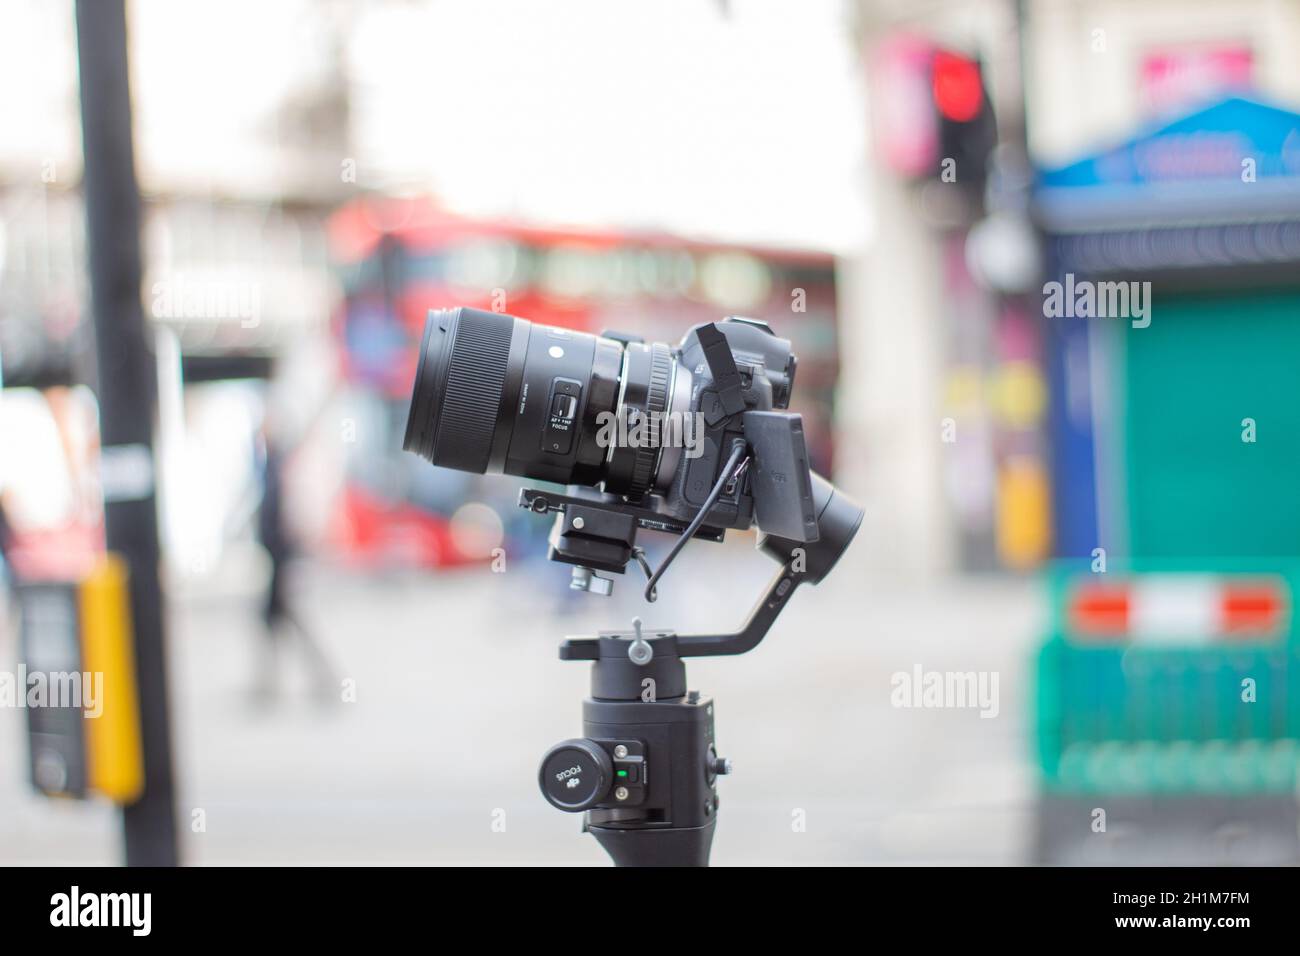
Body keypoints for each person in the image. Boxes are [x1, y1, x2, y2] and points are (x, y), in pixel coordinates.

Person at [253, 425, 337, 704]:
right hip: (276, 559)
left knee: (292, 621)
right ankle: (271, 684)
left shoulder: (286, 466)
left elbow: (296, 513)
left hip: (285, 559)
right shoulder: (271, 465)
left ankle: (322, 679)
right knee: (275, 621)